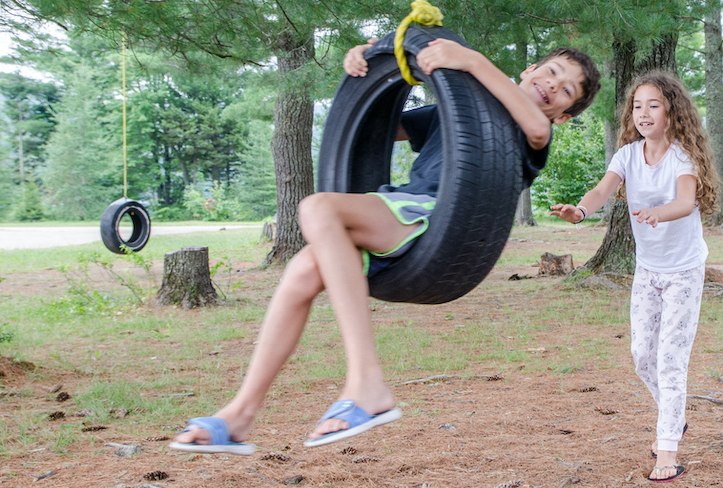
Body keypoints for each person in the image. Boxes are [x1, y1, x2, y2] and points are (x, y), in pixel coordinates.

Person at [170, 36, 600, 455]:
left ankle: (367, 382)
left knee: (318, 208)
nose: (552, 85)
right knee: (302, 269)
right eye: (551, 72)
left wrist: (471, 60)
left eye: (566, 91)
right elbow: (373, 124)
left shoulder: (527, 133)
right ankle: (240, 414)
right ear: (530, 69)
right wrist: (369, 66)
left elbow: (536, 129)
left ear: (563, 117)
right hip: (396, 212)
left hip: (436, 220)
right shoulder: (459, 110)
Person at [550, 71, 717, 483]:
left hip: (683, 271)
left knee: (671, 360)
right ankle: (673, 417)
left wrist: (658, 213)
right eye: (637, 106)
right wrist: (580, 211)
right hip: (648, 270)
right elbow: (601, 191)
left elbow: (685, 201)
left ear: (672, 112)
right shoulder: (627, 156)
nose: (643, 113)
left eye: (653, 105)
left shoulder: (682, 157)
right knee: (642, 356)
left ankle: (667, 450)